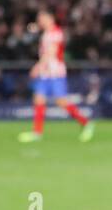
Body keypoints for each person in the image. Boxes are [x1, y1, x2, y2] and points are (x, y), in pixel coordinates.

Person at [16, 11, 94, 144]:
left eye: (42, 19)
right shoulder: (46, 33)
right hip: (45, 73)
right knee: (38, 100)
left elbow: (50, 53)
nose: (40, 22)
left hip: (55, 73)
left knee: (61, 101)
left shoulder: (56, 33)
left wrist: (37, 66)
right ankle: (37, 132)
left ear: (50, 19)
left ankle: (86, 123)